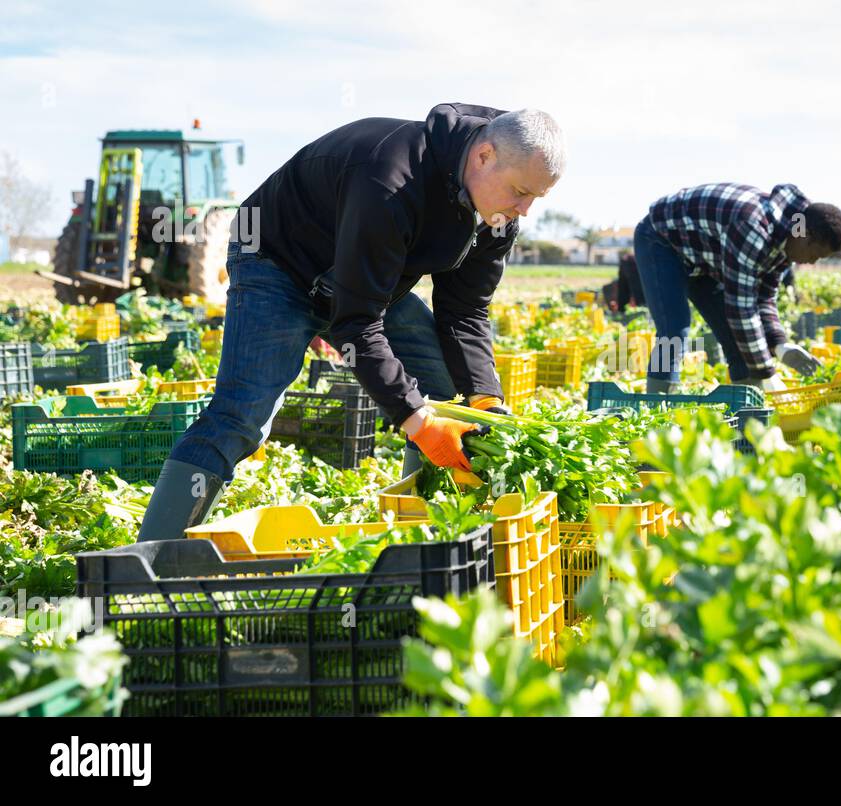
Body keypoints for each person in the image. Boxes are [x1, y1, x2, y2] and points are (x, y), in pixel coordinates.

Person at [136, 104, 566, 541]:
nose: (525, 209)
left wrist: (484, 399)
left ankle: (434, 541)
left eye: (536, 197)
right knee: (242, 418)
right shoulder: (391, 179)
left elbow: (465, 311)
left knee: (448, 395)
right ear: (484, 156)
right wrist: (416, 420)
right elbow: (355, 325)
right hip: (278, 263)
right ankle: (152, 554)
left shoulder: (497, 217)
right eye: (520, 192)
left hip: (363, 281)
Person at [633, 183, 841, 393]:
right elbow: (740, 309)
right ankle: (656, 407)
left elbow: (763, 299)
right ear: (806, 237)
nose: (812, 262)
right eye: (816, 255)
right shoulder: (753, 228)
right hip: (661, 239)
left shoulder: (790, 237)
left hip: (704, 255)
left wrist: (780, 344)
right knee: (674, 330)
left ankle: (748, 417)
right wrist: (766, 372)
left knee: (738, 342)